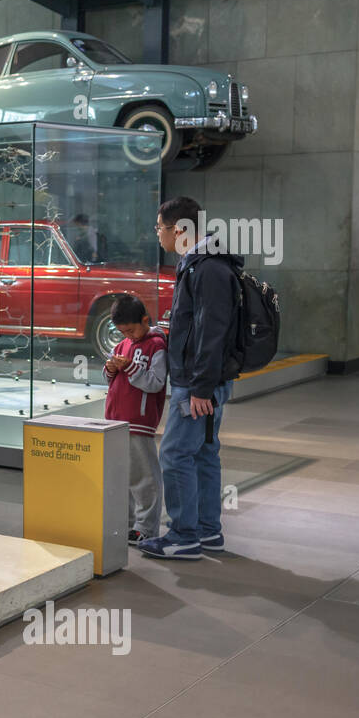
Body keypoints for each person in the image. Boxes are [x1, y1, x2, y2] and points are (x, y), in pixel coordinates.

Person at [140, 197, 241, 560]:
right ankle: (206, 531)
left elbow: (212, 331)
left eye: (160, 228)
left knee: (176, 453)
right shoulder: (201, 263)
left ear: (179, 229)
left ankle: (182, 535)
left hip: (198, 383)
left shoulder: (208, 268)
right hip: (202, 379)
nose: (158, 234)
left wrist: (200, 387)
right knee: (202, 453)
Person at [103, 294, 167, 546]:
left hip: (139, 421)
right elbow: (111, 381)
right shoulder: (123, 345)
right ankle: (126, 522)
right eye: (122, 332)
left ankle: (146, 527)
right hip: (115, 421)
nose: (128, 335)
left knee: (144, 477)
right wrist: (110, 369)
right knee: (122, 475)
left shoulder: (157, 346)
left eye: (130, 330)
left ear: (144, 320)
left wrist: (130, 368)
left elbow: (155, 383)